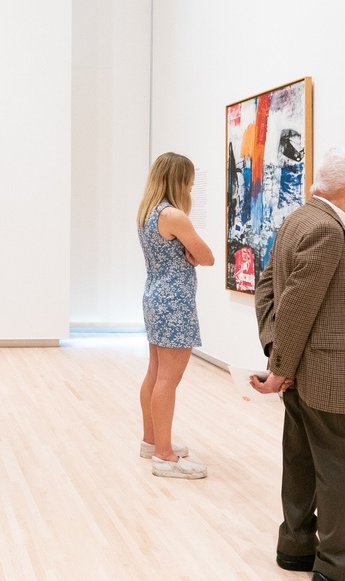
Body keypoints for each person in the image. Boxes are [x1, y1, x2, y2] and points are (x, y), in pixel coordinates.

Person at [251, 147, 345, 581]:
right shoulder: (325, 229)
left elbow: (267, 288)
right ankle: (337, 567)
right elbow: (298, 306)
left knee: (302, 459)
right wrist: (280, 366)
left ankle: (297, 546)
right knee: (341, 469)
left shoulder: (298, 219)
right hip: (329, 376)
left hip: (305, 372)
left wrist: (276, 353)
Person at [133, 152, 214, 480]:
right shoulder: (174, 215)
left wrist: (190, 255)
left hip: (155, 297)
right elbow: (207, 256)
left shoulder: (148, 212)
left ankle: (152, 442)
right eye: (190, 182)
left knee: (155, 372)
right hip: (175, 303)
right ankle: (165, 456)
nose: (192, 188)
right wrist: (193, 257)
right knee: (168, 378)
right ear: (179, 180)